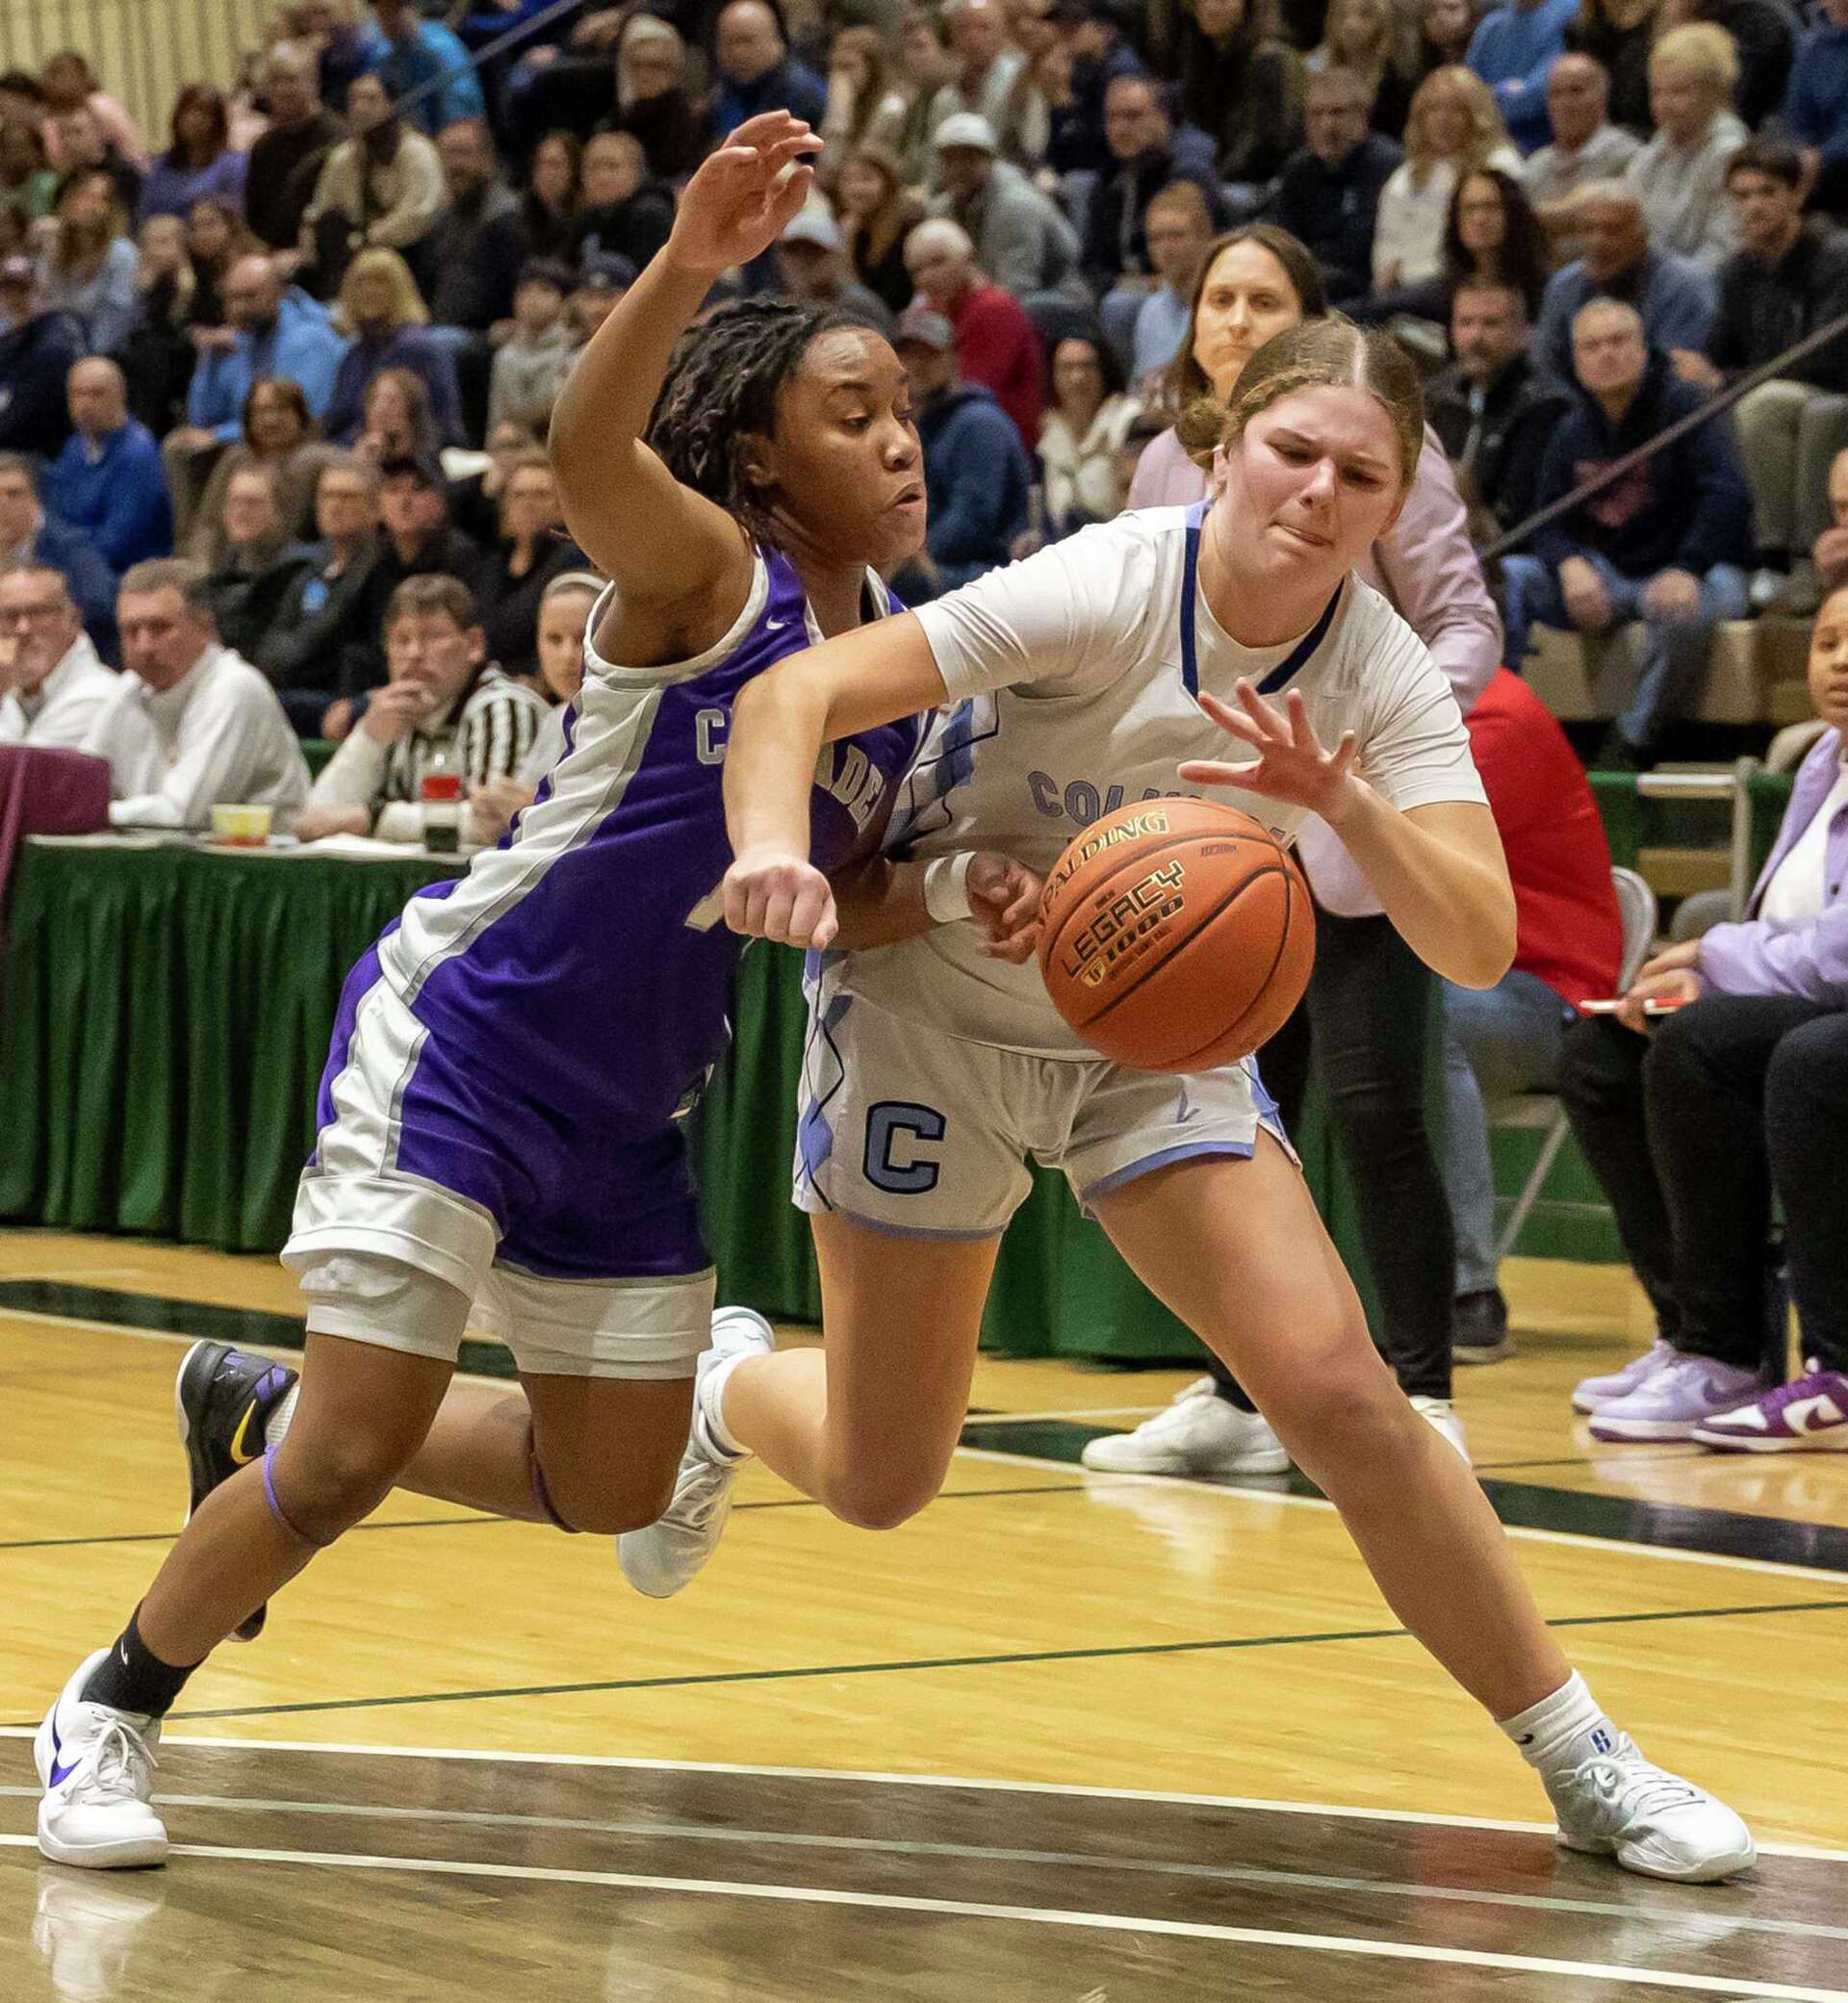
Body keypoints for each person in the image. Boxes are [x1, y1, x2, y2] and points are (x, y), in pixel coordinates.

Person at [685, 311, 1754, 1887]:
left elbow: (1479, 935)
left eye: (1361, 474)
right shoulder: (1114, 578)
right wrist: (776, 848)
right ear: (1228, 445)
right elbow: (795, 698)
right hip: (932, 1012)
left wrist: (1345, 803)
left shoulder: (1379, 670)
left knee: (1346, 1399)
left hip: (1141, 1030)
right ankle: (726, 1388)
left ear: (1397, 508)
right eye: (1293, 451)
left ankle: (1585, 1757)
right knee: (880, 1477)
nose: (1318, 493)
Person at [29, 114, 947, 1875]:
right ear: (756, 459)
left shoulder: (899, 654)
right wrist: (687, 263)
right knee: (358, 1454)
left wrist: (977, 890)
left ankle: (252, 1400)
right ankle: (109, 1709)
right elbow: (581, 440)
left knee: (605, 1487)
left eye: (903, 405)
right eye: (852, 415)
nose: (900, 436)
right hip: (466, 1041)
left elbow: (844, 896)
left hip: (630, 1110)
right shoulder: (704, 577)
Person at [1121, 222, 1501, 1466]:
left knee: (1378, 1107)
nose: (1234, 319)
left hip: (1353, 835)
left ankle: (1424, 1385)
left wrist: (1372, 757)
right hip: (1215, 843)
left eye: (1263, 299)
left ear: (1305, 323)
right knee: (1222, 1115)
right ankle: (1238, 1394)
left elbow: (1463, 623)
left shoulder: (1387, 459)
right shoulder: (1158, 469)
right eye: (1217, 298)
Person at [1559, 589, 1848, 1450]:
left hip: (1825, 1018)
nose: (1841, 660)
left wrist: (1713, 961)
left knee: (1778, 1053)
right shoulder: (1822, 760)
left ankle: (1823, 1365)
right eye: (1828, 641)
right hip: (1806, 1004)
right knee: (1600, 1052)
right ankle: (1701, 1336)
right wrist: (1712, 972)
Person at [1440, 667, 1623, 1363]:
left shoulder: (1493, 718)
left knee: (1426, 1022)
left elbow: (1405, 858)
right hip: (1464, 970)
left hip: (1548, 992)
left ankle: (1468, 1289)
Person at [1501, 297, 1752, 766]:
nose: (1606, 354)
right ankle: (1495, 717)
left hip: (1699, 569)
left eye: (1618, 342)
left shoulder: (1688, 406)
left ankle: (1632, 746)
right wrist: (1570, 564)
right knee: (1513, 575)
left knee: (1684, 611)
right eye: (1592, 346)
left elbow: (1728, 497)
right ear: (1576, 361)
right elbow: (1546, 522)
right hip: (1612, 575)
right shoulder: (1572, 427)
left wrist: (1687, 567)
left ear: (1643, 348)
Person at [1681, 142, 1848, 619]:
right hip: (1782, 393)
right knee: (1758, 402)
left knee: (1779, 405)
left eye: (1767, 192)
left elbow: (1829, 359)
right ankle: (1765, 556)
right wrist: (1710, 374)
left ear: (1797, 195)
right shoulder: (1737, 272)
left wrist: (1726, 378)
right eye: (1742, 196)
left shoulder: (1836, 256)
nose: (1753, 205)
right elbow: (1715, 357)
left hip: (1837, 390)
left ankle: (1790, 556)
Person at [294, 573, 547, 843]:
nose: (414, 653)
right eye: (401, 640)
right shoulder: (391, 711)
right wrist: (369, 737)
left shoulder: (502, 707)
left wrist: (372, 819)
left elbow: (493, 825)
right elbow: (317, 818)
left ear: (474, 644)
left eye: (433, 636)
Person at [79, 556, 309, 830]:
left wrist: (92, 812)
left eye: (159, 628)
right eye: (130, 631)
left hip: (269, 864)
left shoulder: (234, 687)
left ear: (204, 628)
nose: (143, 646)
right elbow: (81, 782)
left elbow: (185, 815)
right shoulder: (128, 689)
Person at [163, 254, 348, 532]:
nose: (240, 308)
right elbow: (201, 418)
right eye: (232, 299)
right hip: (250, 438)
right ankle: (193, 547)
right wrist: (209, 362)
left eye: (250, 297)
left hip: (303, 442)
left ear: (279, 293)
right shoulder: (239, 340)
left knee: (235, 456)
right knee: (180, 446)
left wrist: (218, 436)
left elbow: (300, 419)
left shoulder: (309, 340)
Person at [892, 299, 1030, 591]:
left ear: (952, 357)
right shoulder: (918, 424)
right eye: (908, 355)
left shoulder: (978, 422)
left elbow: (973, 521)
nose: (916, 365)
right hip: (945, 565)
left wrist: (913, 556)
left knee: (903, 583)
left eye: (928, 355)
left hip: (991, 572)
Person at [254, 452, 386, 733]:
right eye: (326, 496)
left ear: (376, 508)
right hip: (295, 687)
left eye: (347, 497)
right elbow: (276, 634)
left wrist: (281, 662)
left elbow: (319, 641)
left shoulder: (379, 569)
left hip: (340, 698)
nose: (335, 506)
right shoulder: (313, 566)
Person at [1532, 182, 1715, 380]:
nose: (1597, 242)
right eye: (1587, 229)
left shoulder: (1683, 286)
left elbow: (1675, 374)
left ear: (1641, 237)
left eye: (1612, 230)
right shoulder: (1564, 286)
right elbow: (1547, 370)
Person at [1428, 279, 1570, 533]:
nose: (1475, 336)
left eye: (1490, 323)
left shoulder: (1544, 404)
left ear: (1523, 333)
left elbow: (1516, 521)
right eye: (1465, 323)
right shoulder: (1440, 395)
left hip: (1513, 553)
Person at [1369, 66, 1521, 302]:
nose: (1443, 119)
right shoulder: (1404, 178)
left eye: (1456, 110)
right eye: (1434, 109)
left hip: (1467, 287)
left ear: (1476, 114)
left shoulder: (1498, 165)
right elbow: (1385, 257)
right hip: (1404, 292)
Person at [904, 218, 1044, 449]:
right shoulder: (930, 311)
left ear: (968, 259)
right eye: (916, 270)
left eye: (937, 262)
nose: (926, 277)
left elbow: (969, 394)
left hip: (992, 445)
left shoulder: (995, 309)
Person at [300, 71, 446, 294]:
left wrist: (366, 240)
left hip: (404, 251)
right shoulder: (344, 157)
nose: (360, 108)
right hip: (354, 251)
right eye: (354, 100)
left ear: (393, 105)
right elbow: (321, 209)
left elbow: (417, 217)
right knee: (330, 223)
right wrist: (307, 246)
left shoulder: (418, 152)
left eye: (371, 100)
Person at [928, 112, 1084, 313]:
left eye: (969, 158)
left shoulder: (1016, 204)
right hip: (990, 294)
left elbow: (1018, 285)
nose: (959, 167)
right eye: (951, 159)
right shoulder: (943, 208)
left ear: (990, 159)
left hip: (1056, 297)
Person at [1624, 23, 1749, 273]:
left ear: (1714, 93)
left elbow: (1722, 251)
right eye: (1657, 92)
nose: (1664, 104)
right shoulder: (1653, 151)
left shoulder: (1730, 153)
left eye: (1679, 92)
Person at [1272, 66, 1403, 304]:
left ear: (1362, 115)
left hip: (1368, 293)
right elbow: (1285, 240)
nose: (1327, 125)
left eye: (1338, 113)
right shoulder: (1298, 169)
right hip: (1311, 287)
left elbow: (1360, 250)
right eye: (1316, 114)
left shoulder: (1386, 165)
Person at [321, 247, 464, 448]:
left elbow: (440, 426)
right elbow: (335, 423)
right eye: (361, 283)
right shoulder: (354, 353)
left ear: (400, 289)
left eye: (380, 282)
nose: (369, 291)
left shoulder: (418, 349)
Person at [48, 356, 173, 575]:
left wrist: (64, 558)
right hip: (77, 565)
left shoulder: (138, 454)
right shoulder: (74, 448)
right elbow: (56, 519)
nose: (85, 404)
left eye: (97, 394)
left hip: (126, 576)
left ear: (120, 395)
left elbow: (117, 541)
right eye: (78, 394)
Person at [472, 449, 588, 677]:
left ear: (559, 503)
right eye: (519, 495)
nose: (528, 504)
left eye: (540, 494)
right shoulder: (494, 561)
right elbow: (487, 634)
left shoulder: (572, 557)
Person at [1176, 0, 1303, 194]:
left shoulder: (1270, 59)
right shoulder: (1201, 56)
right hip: (1217, 176)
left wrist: (1213, 178)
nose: (1211, 6)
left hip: (1261, 184)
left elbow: (1267, 143)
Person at [198, 463, 313, 661]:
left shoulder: (299, 569)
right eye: (234, 501)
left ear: (280, 511)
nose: (241, 511)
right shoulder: (227, 567)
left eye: (253, 502)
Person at [1522, 54, 1642, 241]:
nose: (1565, 104)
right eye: (1556, 94)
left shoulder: (1628, 156)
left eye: (1576, 91)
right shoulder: (1536, 166)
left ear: (1602, 98)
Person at [0, 450, 116, 641]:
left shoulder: (70, 546)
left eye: (14, 494)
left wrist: (44, 624)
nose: (3, 504)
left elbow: (99, 603)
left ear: (35, 500)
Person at [244, 41, 346, 257]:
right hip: (274, 260)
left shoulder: (338, 139)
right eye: (274, 81)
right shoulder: (263, 147)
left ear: (313, 82)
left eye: (290, 80)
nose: (281, 90)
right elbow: (255, 221)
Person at [1037, 329, 1141, 535]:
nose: (1077, 378)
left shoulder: (1129, 421)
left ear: (1104, 369)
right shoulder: (1049, 429)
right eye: (1066, 368)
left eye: (1087, 366)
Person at [0, 563, 115, 747]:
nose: (23, 629)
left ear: (73, 620)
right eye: (9, 615)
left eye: (38, 613)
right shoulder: (12, 690)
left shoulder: (98, 697)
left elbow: (23, 768)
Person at [37, 166, 139, 354]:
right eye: (84, 196)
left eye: (101, 199)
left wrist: (84, 357)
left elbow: (117, 318)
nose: (91, 205)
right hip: (59, 343)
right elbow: (46, 304)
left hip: (103, 354)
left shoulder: (121, 253)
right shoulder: (57, 249)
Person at [354, 0, 487, 136]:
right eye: (382, 13)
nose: (388, 20)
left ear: (409, 9)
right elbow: (366, 87)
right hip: (404, 140)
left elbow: (460, 109)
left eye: (393, 11)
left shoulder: (440, 46)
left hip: (449, 136)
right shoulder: (383, 54)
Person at [1465, 0, 1580, 151]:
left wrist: (1490, 94)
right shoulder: (1491, 25)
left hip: (1547, 149)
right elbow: (1464, 98)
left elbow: (1535, 98)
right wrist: (1508, 91)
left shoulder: (1570, 13)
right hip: (1486, 146)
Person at [1130, 180, 1213, 385]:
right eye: (1155, 238)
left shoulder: (1221, 306)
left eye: (1176, 236)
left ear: (1205, 238)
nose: (1165, 248)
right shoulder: (1150, 310)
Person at [0, 254, 83, 458]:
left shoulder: (54, 345)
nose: (13, 300)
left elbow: (22, 422)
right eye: (6, 291)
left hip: (42, 458)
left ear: (42, 292)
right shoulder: (15, 338)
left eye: (23, 291)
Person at [710, 1, 828, 137]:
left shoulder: (807, 94)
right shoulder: (718, 96)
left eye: (746, 41)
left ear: (774, 41)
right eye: (728, 42)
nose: (737, 52)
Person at [487, 257, 577, 436]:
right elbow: (497, 421)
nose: (532, 299)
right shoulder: (506, 355)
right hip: (510, 448)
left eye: (545, 291)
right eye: (525, 290)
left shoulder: (574, 351)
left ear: (566, 301)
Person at [570, 129, 674, 276]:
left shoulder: (650, 215)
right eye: (593, 167)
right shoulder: (588, 218)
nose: (602, 177)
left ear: (636, 172)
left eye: (612, 166)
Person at [137, 84, 246, 224]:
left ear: (218, 123)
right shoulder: (160, 165)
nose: (193, 119)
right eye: (187, 111)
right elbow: (144, 218)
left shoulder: (234, 165)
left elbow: (237, 220)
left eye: (204, 113)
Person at [835, 141, 924, 316]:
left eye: (866, 179)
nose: (856, 188)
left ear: (887, 183)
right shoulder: (855, 229)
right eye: (848, 181)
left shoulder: (908, 227)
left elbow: (888, 299)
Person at [1783, 0, 1848, 222]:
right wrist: (1802, 155)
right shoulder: (1812, 45)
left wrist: (1820, 158)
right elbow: (1797, 118)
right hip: (1815, 174)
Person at [1309, 0, 1415, 137]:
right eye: (1342, 15)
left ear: (1381, 21)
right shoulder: (1316, 65)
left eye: (1364, 15)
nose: (1350, 25)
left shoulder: (1396, 83)